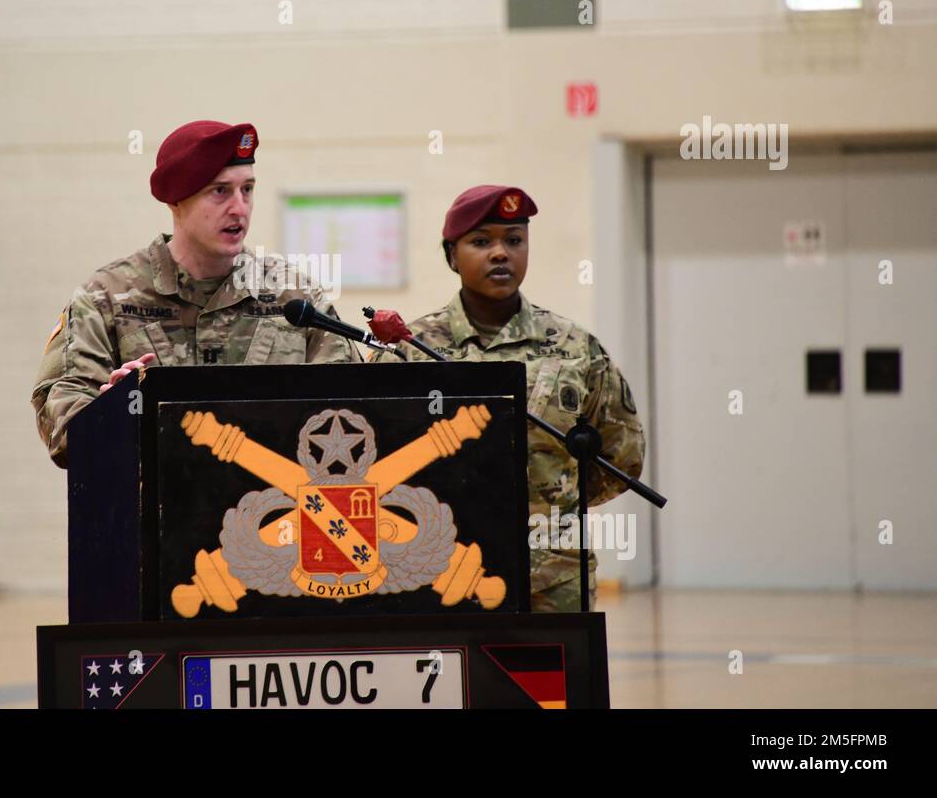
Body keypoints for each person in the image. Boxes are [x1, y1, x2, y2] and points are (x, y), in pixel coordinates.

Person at [374, 184, 645, 612]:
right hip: (436, 571)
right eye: (481, 242)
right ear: (451, 255)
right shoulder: (409, 351)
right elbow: (375, 462)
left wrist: (547, 499)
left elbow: (621, 455)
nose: (501, 253)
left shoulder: (575, 348)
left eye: (514, 240)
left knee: (561, 679)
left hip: (553, 579)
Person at [32, 120, 361, 466]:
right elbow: (60, 428)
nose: (239, 208)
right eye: (220, 191)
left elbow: (356, 411)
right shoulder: (106, 298)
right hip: (151, 513)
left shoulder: (294, 298)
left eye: (247, 189)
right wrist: (110, 410)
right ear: (176, 200)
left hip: (274, 511)